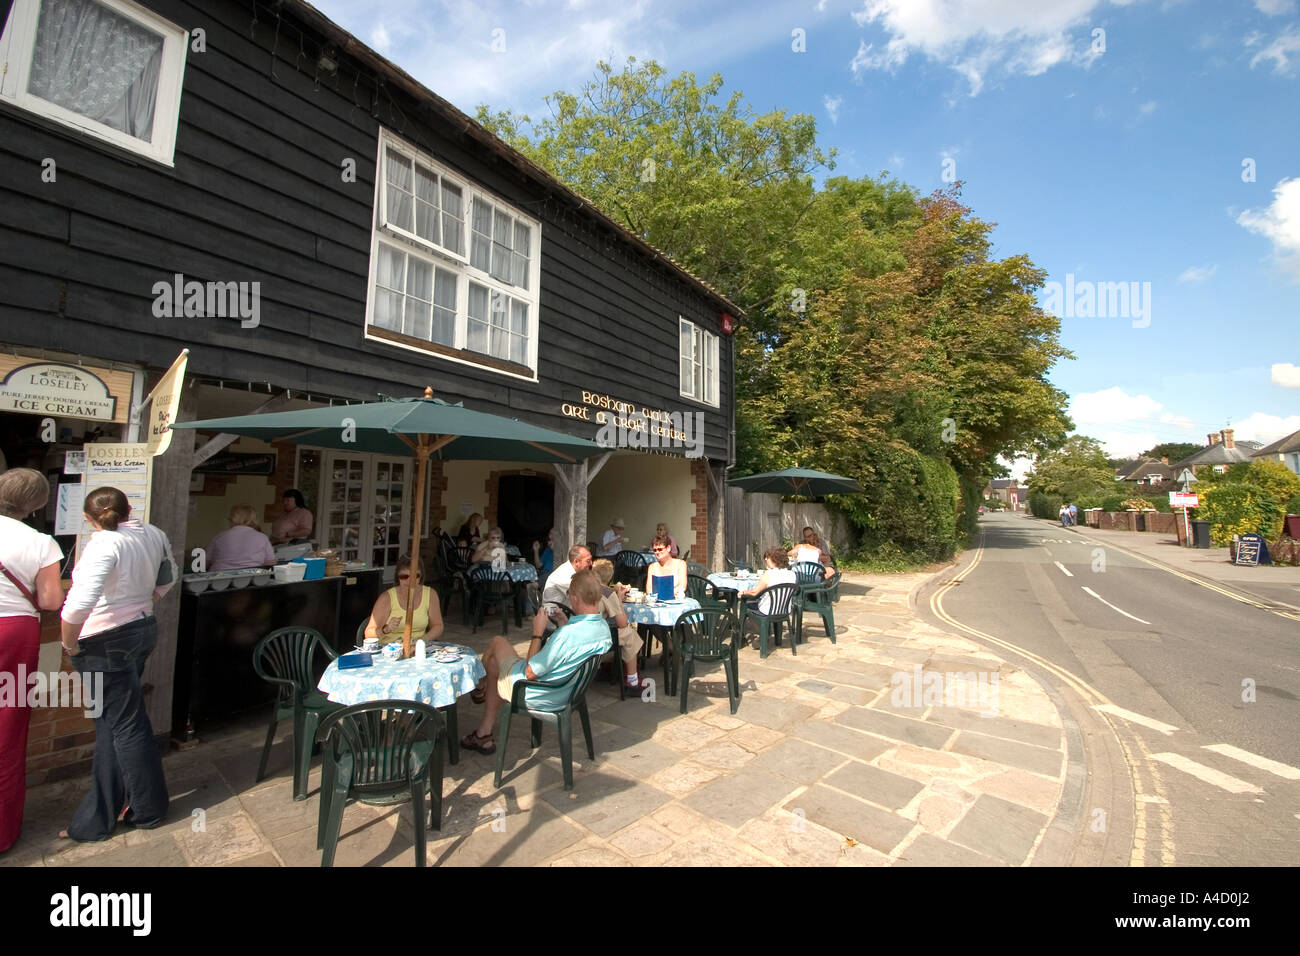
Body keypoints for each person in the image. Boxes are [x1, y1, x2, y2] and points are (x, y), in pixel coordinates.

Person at [59, 487, 177, 842]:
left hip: (104, 640)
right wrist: (143, 602)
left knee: (123, 725)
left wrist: (68, 643)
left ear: (89, 518)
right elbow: (167, 578)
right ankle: (107, 812)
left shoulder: (102, 544)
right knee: (115, 723)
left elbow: (78, 606)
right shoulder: (152, 533)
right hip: (141, 629)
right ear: (128, 510)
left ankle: (146, 809)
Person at [460, 570, 612, 754]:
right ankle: (484, 733)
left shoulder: (566, 636)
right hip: (570, 692)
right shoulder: (603, 628)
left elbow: (529, 672)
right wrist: (564, 622)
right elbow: (572, 651)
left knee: (497, 643)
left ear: (575, 598)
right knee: (494, 664)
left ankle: (480, 687)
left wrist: (537, 632)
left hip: (541, 694)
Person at [0, 469, 65, 853]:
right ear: (38, 503)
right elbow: (51, 601)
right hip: (14, 632)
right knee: (8, 726)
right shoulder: (41, 543)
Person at [592, 558, 647, 692]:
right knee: (629, 633)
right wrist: (619, 599)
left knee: (625, 632)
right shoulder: (607, 593)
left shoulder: (589, 587)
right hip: (596, 636)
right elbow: (622, 623)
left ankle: (611, 667)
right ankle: (632, 681)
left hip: (584, 628)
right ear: (611, 576)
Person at [364, 554, 443, 644]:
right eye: (404, 577)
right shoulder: (387, 598)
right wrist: (386, 629)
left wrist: (422, 640)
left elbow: (438, 625)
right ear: (397, 576)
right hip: (390, 649)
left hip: (417, 648)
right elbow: (368, 633)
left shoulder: (430, 594)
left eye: (414, 576)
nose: (409, 581)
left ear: (421, 576)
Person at [207, 504, 275, 571]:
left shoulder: (219, 537)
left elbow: (206, 562)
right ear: (253, 519)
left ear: (232, 519)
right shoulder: (262, 537)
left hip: (220, 579)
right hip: (251, 578)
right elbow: (270, 562)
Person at [741, 546, 798, 615]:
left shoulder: (768, 574)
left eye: (767, 557)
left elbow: (754, 592)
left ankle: (752, 625)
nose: (765, 559)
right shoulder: (792, 574)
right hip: (784, 610)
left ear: (774, 559)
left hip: (767, 610)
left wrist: (743, 592)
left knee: (746, 606)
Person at [644, 534, 686, 600]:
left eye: (660, 549)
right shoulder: (652, 567)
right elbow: (649, 589)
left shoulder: (680, 564)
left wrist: (663, 593)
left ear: (668, 548)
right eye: (655, 550)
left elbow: (682, 586)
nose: (657, 552)